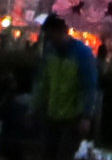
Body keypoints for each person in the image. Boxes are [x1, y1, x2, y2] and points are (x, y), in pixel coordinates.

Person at [32, 14, 99, 160]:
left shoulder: (82, 54)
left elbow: (89, 86)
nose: (51, 40)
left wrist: (86, 116)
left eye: (51, 36)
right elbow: (43, 81)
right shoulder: (52, 51)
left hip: (72, 117)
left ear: (62, 31)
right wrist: (36, 105)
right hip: (53, 113)